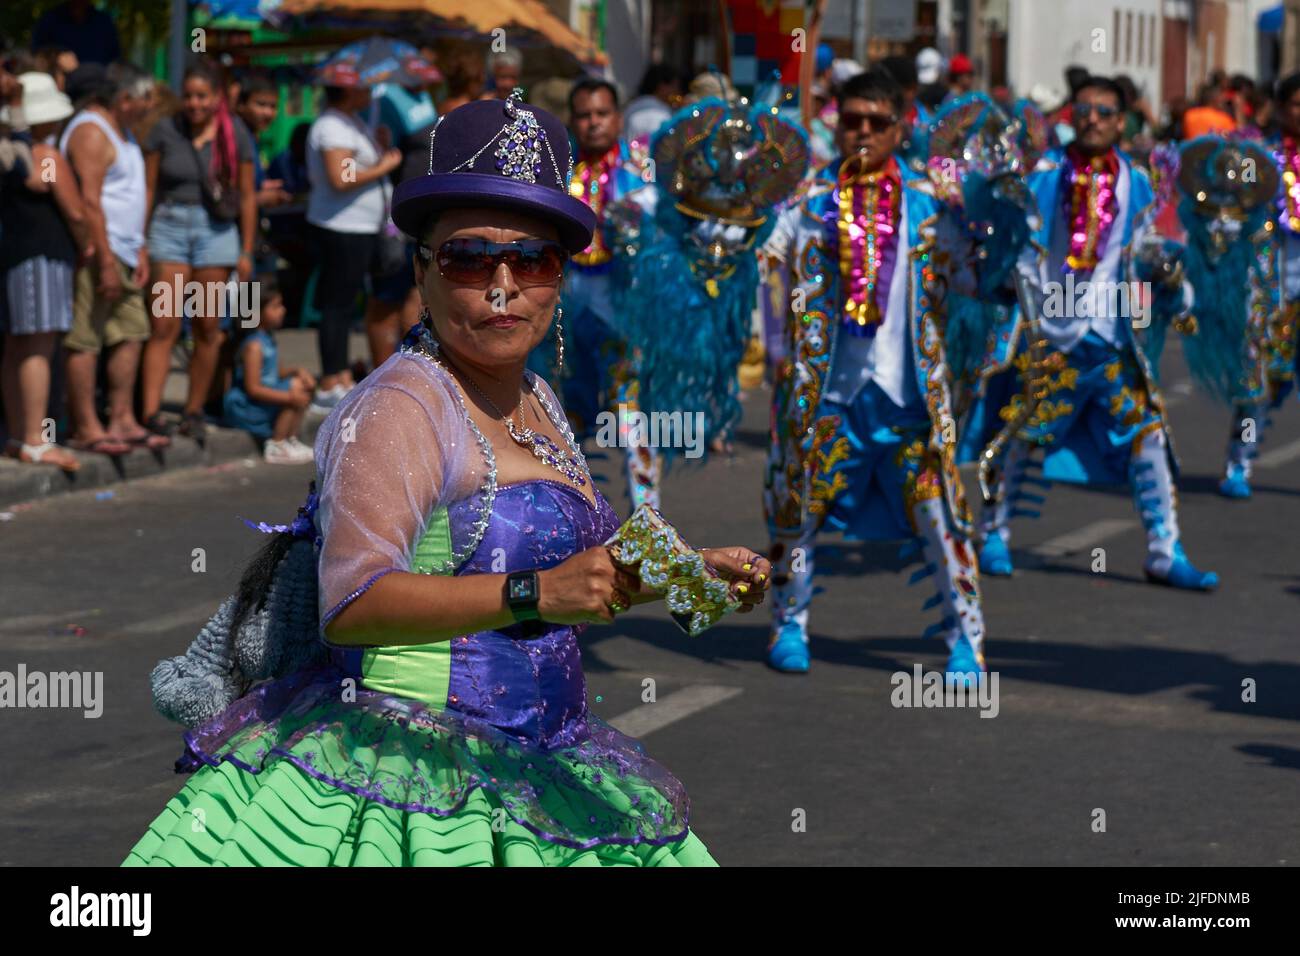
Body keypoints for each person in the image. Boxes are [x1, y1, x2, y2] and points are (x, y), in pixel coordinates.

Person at [122, 94, 770, 868]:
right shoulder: (400, 406)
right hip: (409, 783)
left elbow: (583, 562)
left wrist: (688, 575)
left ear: (559, 278)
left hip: (543, 764)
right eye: (470, 258)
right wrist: (536, 593)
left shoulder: (535, 397)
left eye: (533, 259)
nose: (503, 286)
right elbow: (354, 603)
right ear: (421, 271)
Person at [762, 73, 1026, 677]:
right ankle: (789, 627)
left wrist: (1004, 239)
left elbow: (973, 279)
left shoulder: (932, 204)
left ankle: (967, 640)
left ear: (899, 128)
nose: (861, 131)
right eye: (851, 119)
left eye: (875, 122)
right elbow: (764, 260)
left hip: (910, 398)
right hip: (824, 396)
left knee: (943, 520)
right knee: (797, 513)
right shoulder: (807, 202)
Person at [975, 76, 1217, 591]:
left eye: (1105, 112)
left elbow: (1153, 247)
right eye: (1084, 109)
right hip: (1048, 337)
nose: (1092, 119)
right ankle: (992, 533)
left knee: (1148, 438)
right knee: (1019, 437)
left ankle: (1163, 550)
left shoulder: (1139, 182)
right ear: (1071, 114)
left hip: (1110, 338)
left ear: (1122, 121)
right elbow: (1012, 244)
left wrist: (1171, 278)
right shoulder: (1041, 177)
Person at [544, 77, 660, 508]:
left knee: (631, 412)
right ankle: (574, 516)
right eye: (584, 115)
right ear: (573, 120)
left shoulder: (644, 172)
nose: (593, 123)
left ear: (619, 117)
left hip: (624, 305)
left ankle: (648, 518)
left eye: (602, 114)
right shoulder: (555, 173)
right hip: (566, 304)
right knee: (563, 413)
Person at [139, 58, 257, 444]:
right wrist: (140, 242)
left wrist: (247, 249)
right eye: (188, 96)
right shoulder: (165, 130)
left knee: (207, 327)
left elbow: (248, 195)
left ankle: (194, 410)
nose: (194, 104)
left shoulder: (234, 131)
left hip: (215, 232)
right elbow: (149, 188)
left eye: (201, 96)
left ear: (216, 98)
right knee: (165, 323)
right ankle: (151, 412)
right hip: (169, 227)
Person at [59, 60, 160, 456]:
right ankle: (86, 425)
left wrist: (140, 247)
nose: (151, 105)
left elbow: (129, 197)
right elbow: (89, 202)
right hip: (101, 251)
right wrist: (103, 260)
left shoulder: (126, 132)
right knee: (85, 338)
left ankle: (121, 417)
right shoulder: (90, 131)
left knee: (131, 333)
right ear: (124, 99)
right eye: (146, 98)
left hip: (127, 251)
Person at [1, 72, 90, 471]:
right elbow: (72, 209)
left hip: (16, 255)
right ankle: (37, 439)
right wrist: (87, 242)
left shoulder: (14, 151)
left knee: (18, 346)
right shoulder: (46, 157)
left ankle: (21, 434)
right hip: (42, 255)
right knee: (37, 345)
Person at [303, 83, 402, 408]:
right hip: (341, 226)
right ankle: (331, 377)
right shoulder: (332, 125)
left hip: (359, 227)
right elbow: (341, 177)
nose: (368, 93)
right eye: (362, 87)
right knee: (337, 304)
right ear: (347, 90)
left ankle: (342, 373)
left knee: (347, 304)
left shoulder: (351, 121)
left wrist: (380, 147)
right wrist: (383, 167)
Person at [222, 275, 315, 464]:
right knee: (294, 391)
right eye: (276, 306)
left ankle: (290, 438)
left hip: (263, 402)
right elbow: (253, 388)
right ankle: (276, 444)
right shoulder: (254, 346)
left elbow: (276, 374)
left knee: (301, 385)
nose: (283, 310)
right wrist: (289, 398)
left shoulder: (268, 339)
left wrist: (297, 371)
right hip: (247, 406)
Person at [234, 69, 291, 211]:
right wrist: (261, 198)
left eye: (273, 106)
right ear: (241, 105)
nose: (268, 113)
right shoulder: (235, 137)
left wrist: (262, 184)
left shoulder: (251, 136)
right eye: (261, 104)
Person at [30, 0, 120, 67]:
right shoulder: (50, 20)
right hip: (59, 85)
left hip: (98, 85)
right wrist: (56, 57)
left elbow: (115, 59)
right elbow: (36, 53)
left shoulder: (104, 22)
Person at [622, 63, 682, 143]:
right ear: (662, 86)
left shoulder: (632, 106)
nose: (676, 91)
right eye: (674, 86)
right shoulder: (662, 113)